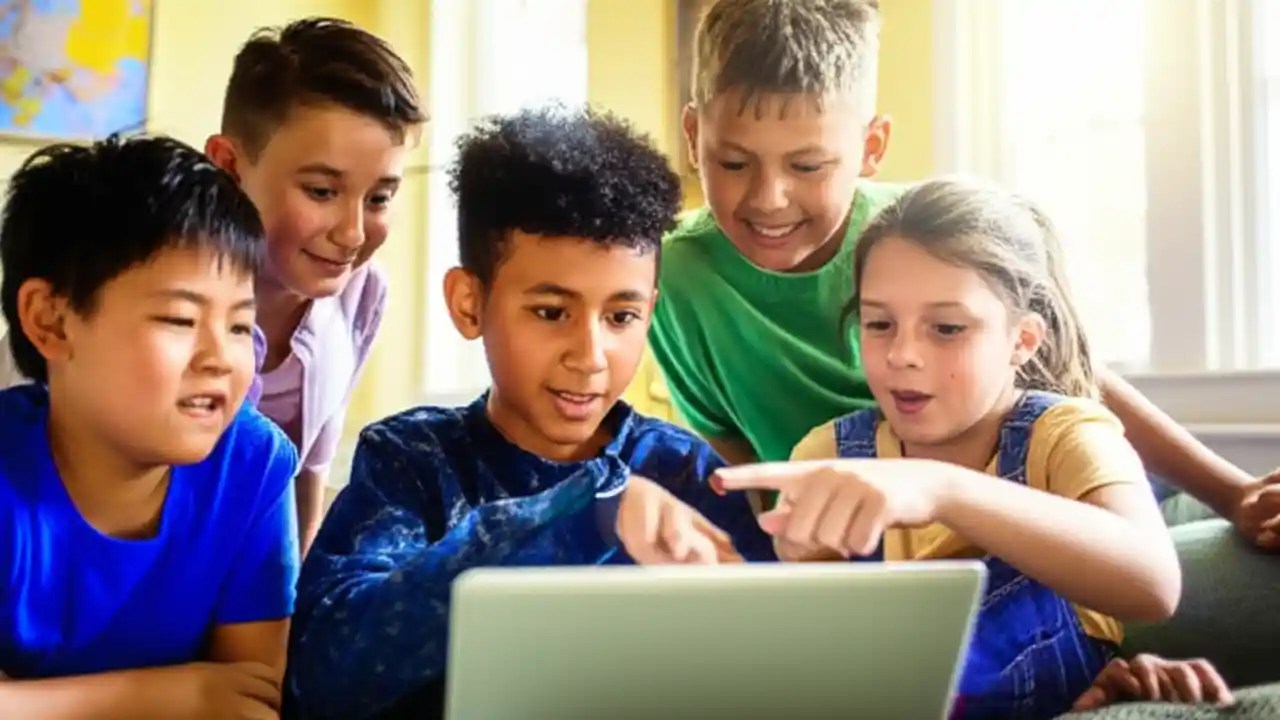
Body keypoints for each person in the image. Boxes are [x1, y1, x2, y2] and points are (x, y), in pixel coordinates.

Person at [284, 106, 773, 720]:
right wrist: (577, 515)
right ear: (469, 303)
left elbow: (766, 669)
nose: (590, 356)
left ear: (651, 308)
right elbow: (326, 675)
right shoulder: (412, 463)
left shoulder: (680, 473)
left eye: (621, 317)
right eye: (550, 312)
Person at [715, 178, 1180, 717]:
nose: (904, 354)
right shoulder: (828, 453)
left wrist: (943, 490)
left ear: (1023, 340)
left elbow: (1154, 583)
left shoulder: (1064, 435)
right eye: (880, 323)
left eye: (947, 328)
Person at [0, 136, 299, 718]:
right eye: (179, 318)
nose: (220, 357)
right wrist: (168, 694)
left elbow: (250, 696)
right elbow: (213, 697)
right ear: (51, 321)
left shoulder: (253, 465)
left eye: (240, 325)